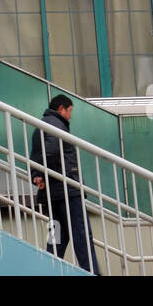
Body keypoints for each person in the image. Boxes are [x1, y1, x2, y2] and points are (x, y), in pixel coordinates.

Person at [30, 94, 100, 274]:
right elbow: (51, 152)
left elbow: (37, 155)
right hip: (67, 188)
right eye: (70, 111)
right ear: (61, 108)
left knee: (57, 234)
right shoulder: (57, 124)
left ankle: (48, 269)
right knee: (81, 232)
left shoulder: (41, 125)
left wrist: (38, 175)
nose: (70, 116)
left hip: (53, 192)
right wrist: (44, 174)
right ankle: (90, 270)